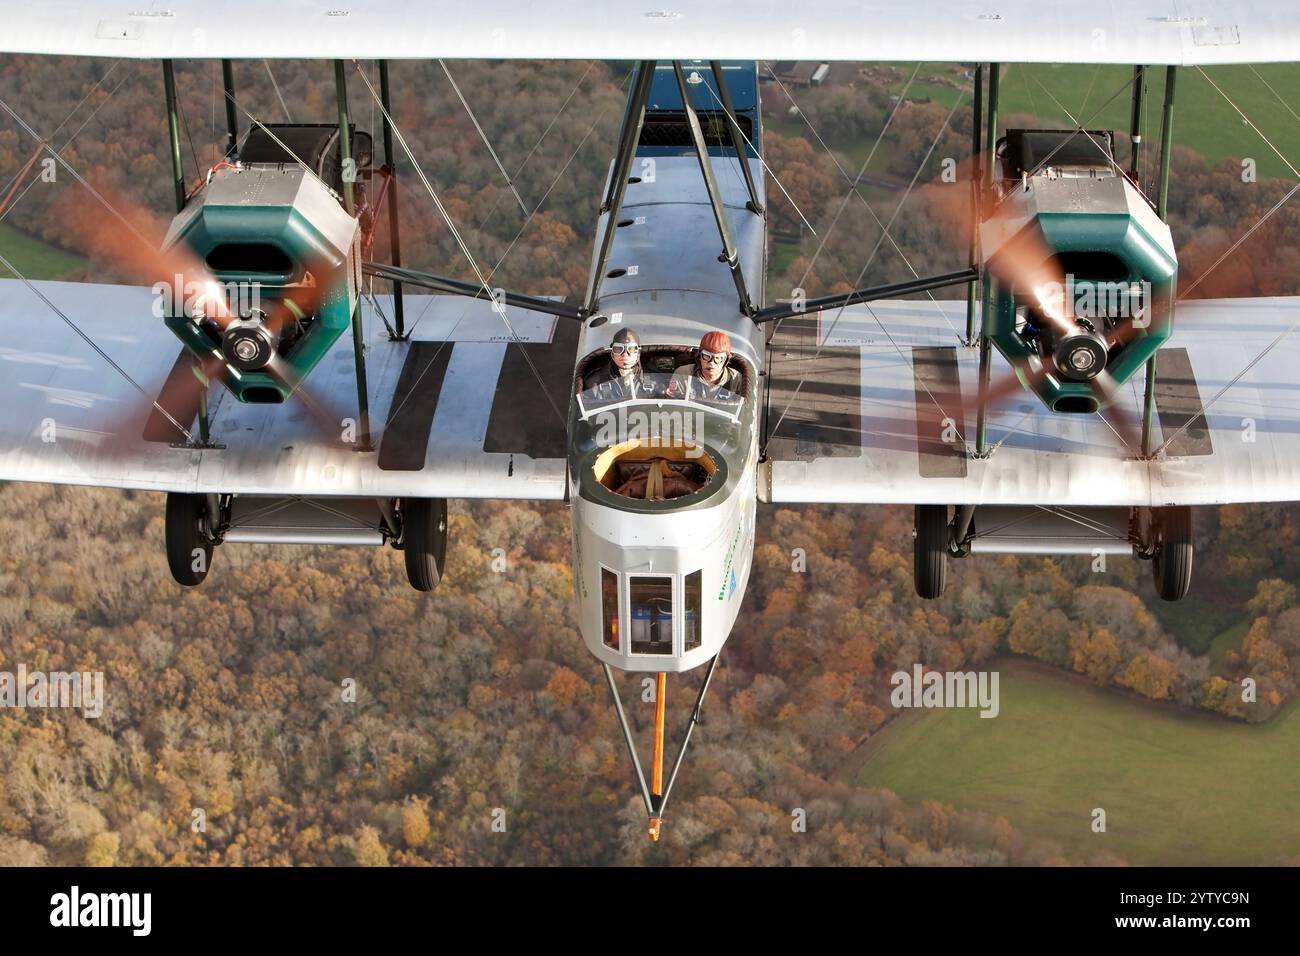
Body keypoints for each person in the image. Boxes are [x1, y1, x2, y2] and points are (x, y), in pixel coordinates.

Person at [666, 330, 743, 403]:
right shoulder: (683, 374)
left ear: (726, 360)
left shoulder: (736, 380)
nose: (712, 363)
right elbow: (673, 407)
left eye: (719, 358)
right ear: (699, 356)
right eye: (707, 356)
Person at [583, 327, 655, 403]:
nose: (624, 354)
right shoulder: (594, 383)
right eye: (618, 349)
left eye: (631, 349)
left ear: (638, 354)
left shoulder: (655, 379)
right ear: (612, 354)